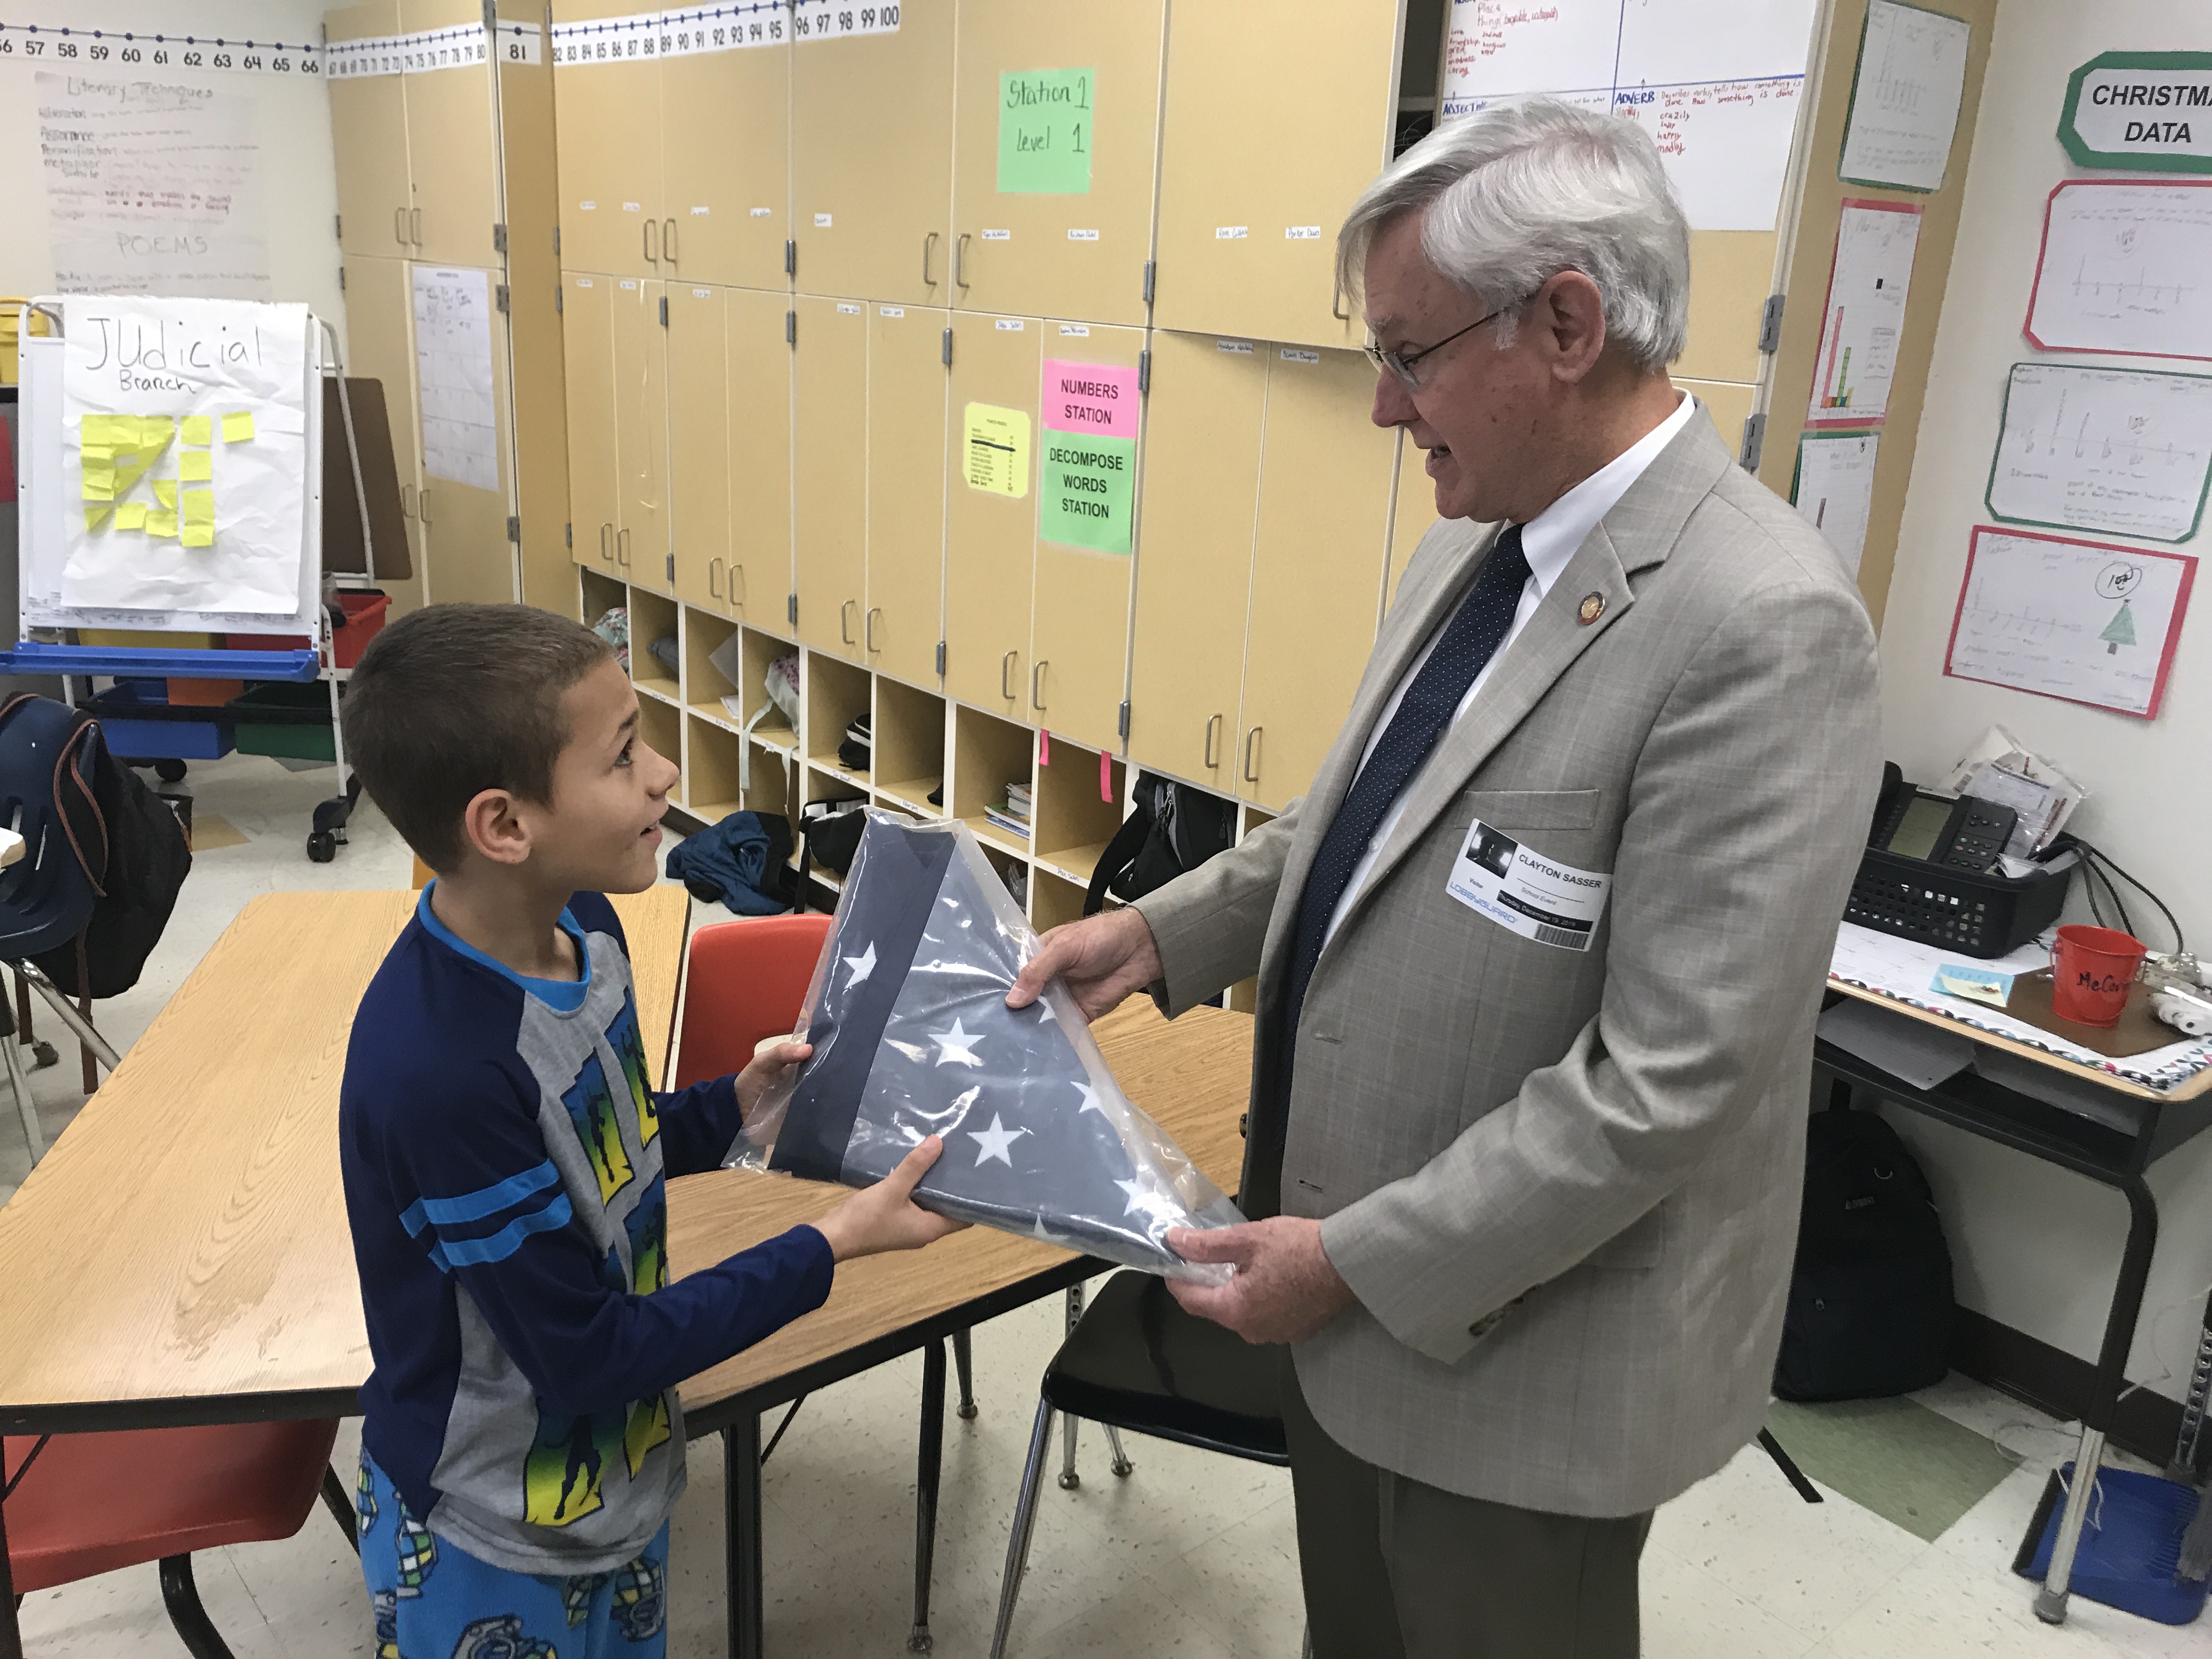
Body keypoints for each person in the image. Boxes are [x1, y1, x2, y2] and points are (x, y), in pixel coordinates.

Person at [1009, 98, 1882, 1656]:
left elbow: (1669, 1082)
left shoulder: (1762, 627)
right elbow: (1355, 827)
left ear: (1565, 324)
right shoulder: (1480, 545)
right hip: (1350, 1316)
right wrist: (1156, 930)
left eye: (1407, 356)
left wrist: (1351, 1264)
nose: (1383, 412)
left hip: (1519, 1358)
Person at [338, 603, 963, 1659]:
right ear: (504, 826)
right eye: (625, 754)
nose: (667, 773)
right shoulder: (439, 1075)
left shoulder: (587, 925)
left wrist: (731, 1104)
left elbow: (606, 1138)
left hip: (616, 1485)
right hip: (492, 1540)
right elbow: (584, 1357)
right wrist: (834, 1242)